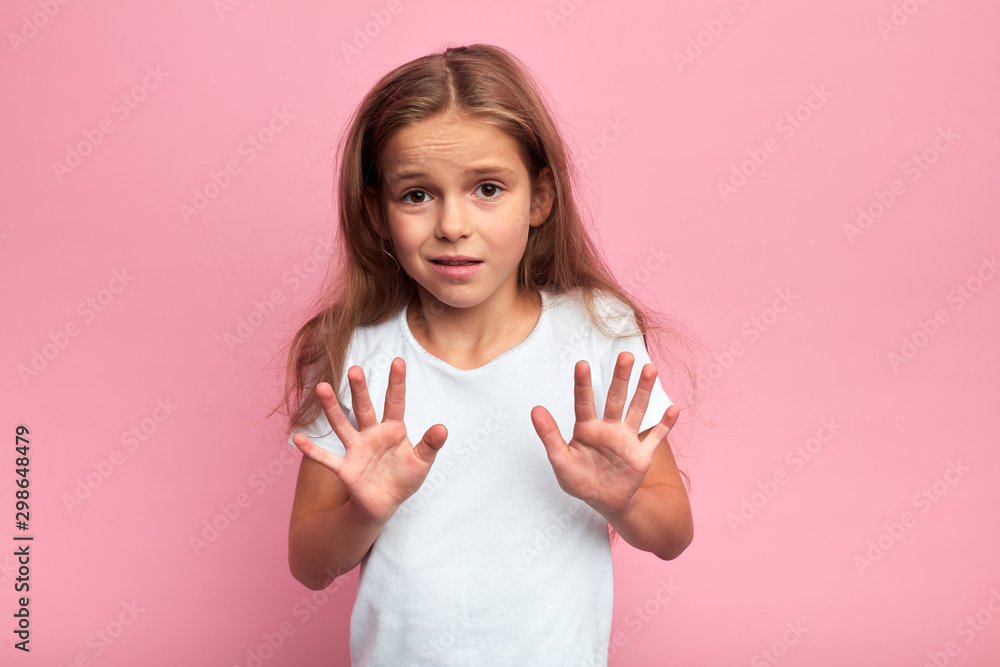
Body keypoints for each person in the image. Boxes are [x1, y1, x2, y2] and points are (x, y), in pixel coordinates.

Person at [279, 43, 694, 666]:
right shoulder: (355, 350)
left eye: (488, 189)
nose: (452, 224)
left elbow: (672, 536)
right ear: (377, 211)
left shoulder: (596, 331)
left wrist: (621, 500)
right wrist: (363, 513)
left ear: (540, 199)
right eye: (417, 195)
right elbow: (309, 564)